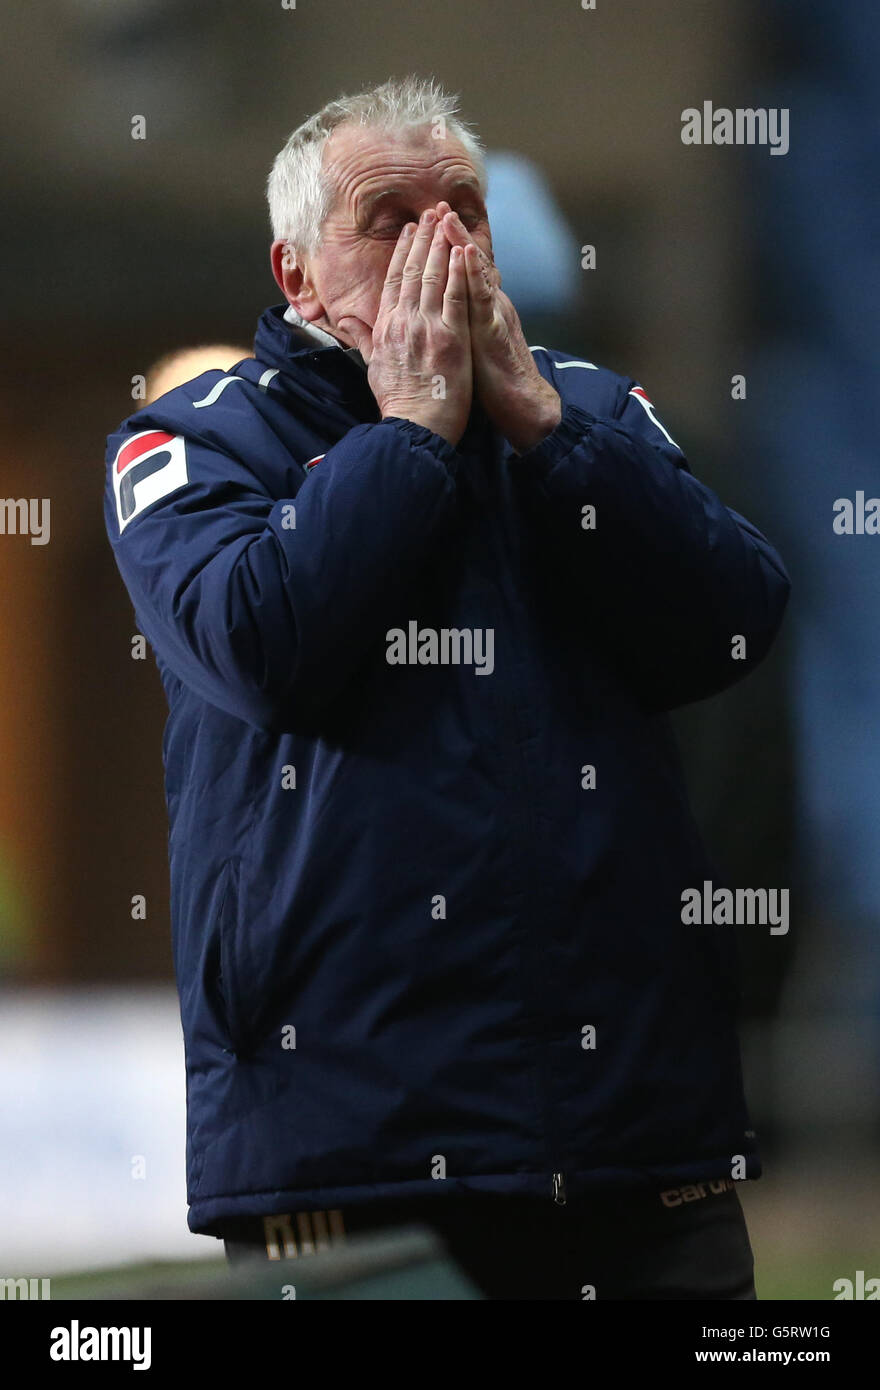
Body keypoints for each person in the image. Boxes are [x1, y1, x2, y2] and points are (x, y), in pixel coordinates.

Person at [104, 76, 790, 1300]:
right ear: (298, 273)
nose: (443, 244)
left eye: (462, 208)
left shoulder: (586, 408)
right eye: (389, 217)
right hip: (349, 1141)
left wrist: (542, 426)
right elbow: (257, 644)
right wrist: (411, 431)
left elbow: (732, 624)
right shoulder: (197, 438)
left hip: (632, 1133)